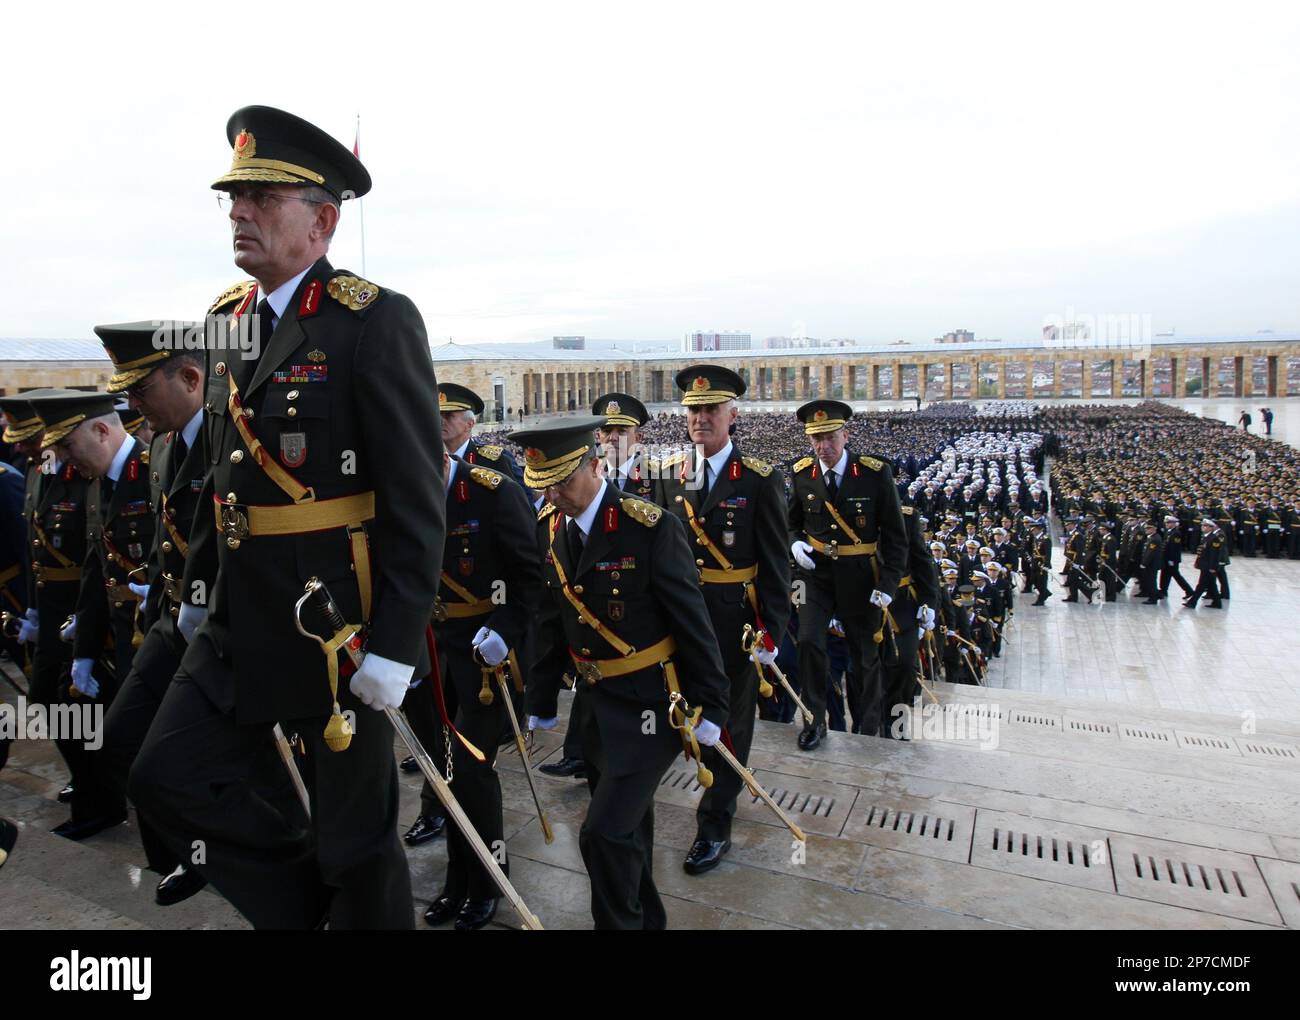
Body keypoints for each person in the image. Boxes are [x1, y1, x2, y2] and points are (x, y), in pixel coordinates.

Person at [129, 105, 445, 929]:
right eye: (235, 197)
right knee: (163, 776)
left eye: (263, 197)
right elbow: (220, 474)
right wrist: (198, 583)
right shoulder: (228, 319)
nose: (239, 211)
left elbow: (417, 497)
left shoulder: (373, 318)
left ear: (322, 219)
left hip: (335, 623)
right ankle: (304, 910)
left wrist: (396, 648)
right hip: (239, 613)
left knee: (359, 843)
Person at [515, 416, 729, 929]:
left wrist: (713, 704)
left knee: (603, 834)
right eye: (545, 487)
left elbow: (692, 621)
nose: (555, 496)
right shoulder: (552, 528)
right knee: (629, 831)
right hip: (596, 707)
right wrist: (541, 699)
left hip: (653, 706)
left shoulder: (648, 526)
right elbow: (551, 620)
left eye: (564, 482)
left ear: (594, 464)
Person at [94, 321, 220, 904]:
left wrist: (206, 603)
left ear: (191, 378)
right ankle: (189, 850)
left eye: (141, 391)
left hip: (224, 626)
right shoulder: (163, 446)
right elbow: (168, 538)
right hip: (172, 621)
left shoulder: (230, 440)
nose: (134, 406)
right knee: (120, 738)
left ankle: (216, 853)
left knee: (194, 753)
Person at [654, 366, 790, 875]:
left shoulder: (757, 478)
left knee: (727, 726)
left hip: (735, 623)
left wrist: (772, 630)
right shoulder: (668, 474)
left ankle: (715, 825)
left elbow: (777, 564)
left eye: (711, 409)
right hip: (678, 620)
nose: (701, 418)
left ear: (733, 415)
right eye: (693, 410)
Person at [416, 447, 541, 930]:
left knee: (472, 769)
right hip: (434, 652)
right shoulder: (401, 488)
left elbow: (530, 578)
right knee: (442, 772)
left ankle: (489, 875)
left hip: (489, 659)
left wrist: (504, 629)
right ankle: (457, 877)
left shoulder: (495, 494)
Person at [41, 390, 155, 841]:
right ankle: (163, 853)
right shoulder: (98, 483)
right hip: (123, 639)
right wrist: (84, 653)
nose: (63, 458)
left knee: (143, 750)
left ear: (102, 430)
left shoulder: (152, 471)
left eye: (68, 445)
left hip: (163, 636)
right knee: (128, 747)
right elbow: (96, 572)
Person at [787, 399, 907, 745]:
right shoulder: (801, 473)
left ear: (845, 435)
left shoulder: (873, 473)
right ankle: (814, 719)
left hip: (861, 575)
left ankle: (867, 730)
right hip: (814, 574)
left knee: (863, 656)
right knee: (808, 640)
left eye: (830, 437)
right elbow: (791, 524)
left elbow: (896, 537)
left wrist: (888, 584)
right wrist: (794, 545)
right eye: (815, 439)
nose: (823, 446)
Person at [439, 382, 524, 486]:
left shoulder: (494, 461)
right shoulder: (432, 460)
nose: (441, 421)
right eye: (439, 415)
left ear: (469, 424)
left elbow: (519, 498)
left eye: (449, 416)